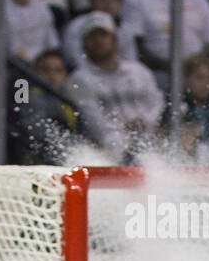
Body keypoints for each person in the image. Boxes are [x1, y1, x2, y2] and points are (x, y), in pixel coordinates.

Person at [66, 11, 162, 162]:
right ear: (84, 43)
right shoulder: (79, 78)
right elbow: (95, 121)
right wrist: (125, 129)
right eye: (92, 36)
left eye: (103, 35)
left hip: (148, 135)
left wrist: (145, 121)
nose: (97, 41)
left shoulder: (138, 70)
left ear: (114, 39)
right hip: (109, 146)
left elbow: (156, 102)